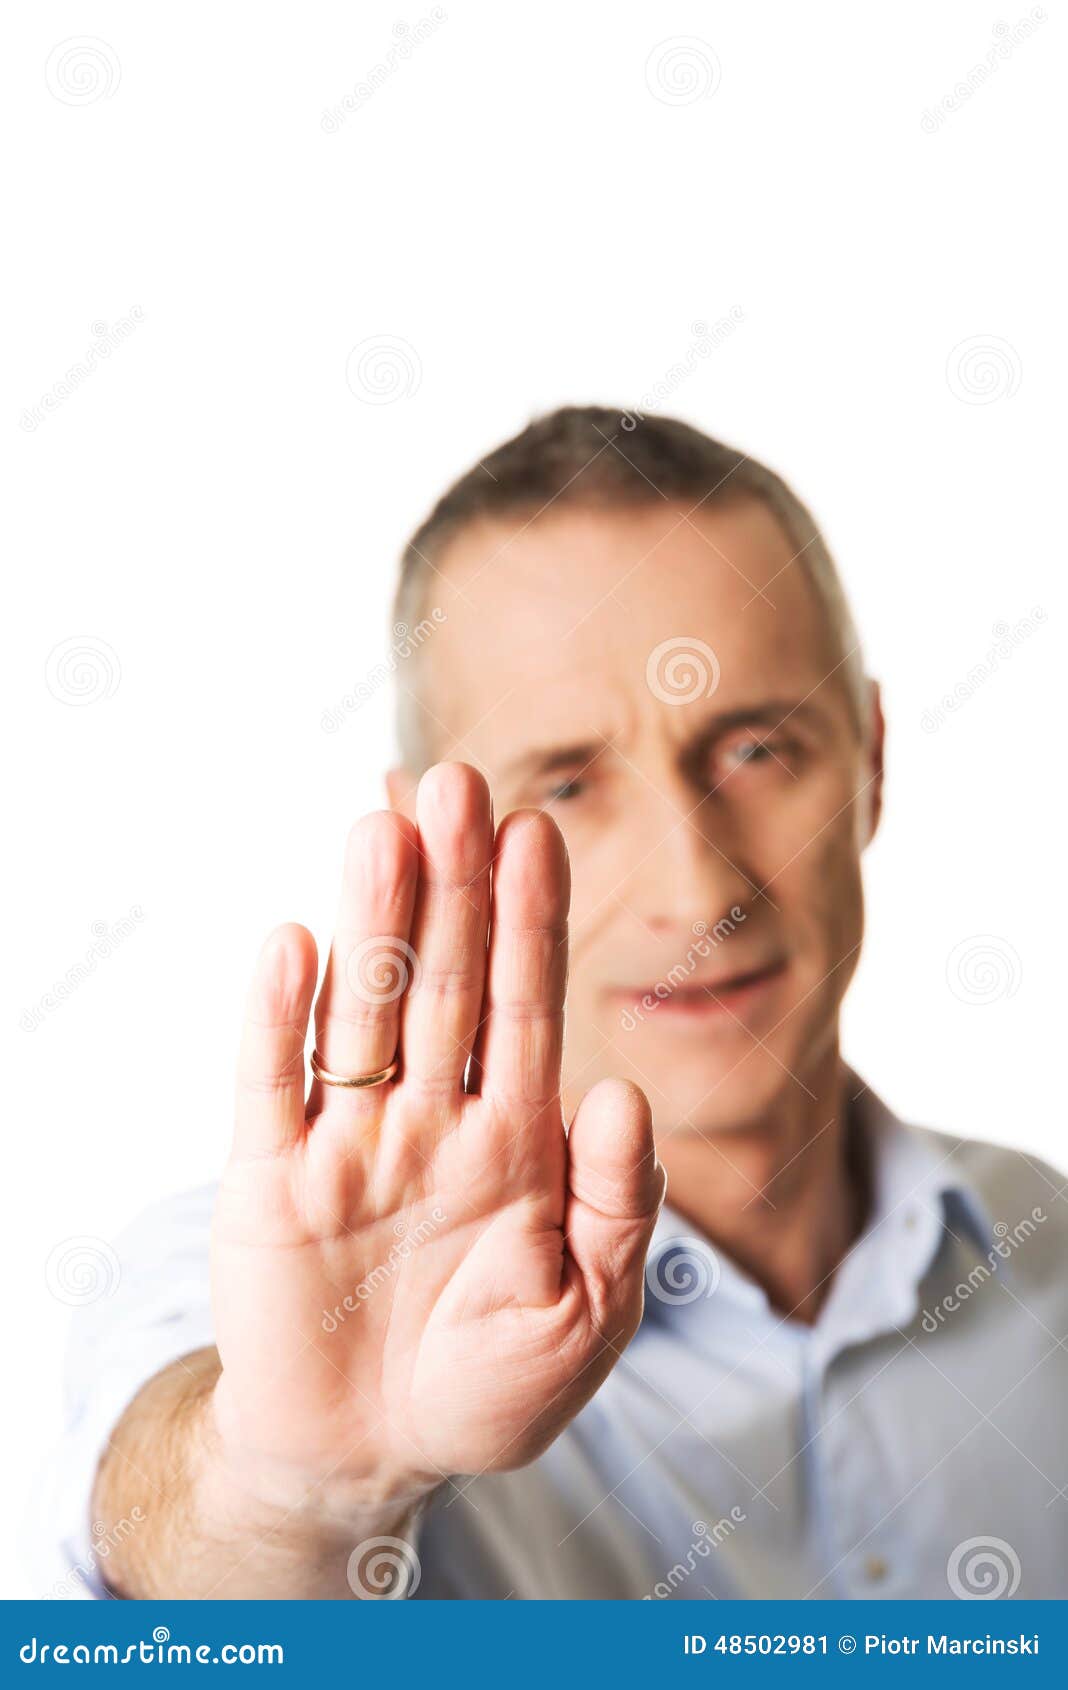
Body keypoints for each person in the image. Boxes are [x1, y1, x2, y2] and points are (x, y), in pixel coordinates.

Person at [53, 407, 1067, 1600]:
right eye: (571, 784)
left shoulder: (1042, 1240)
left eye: (757, 751)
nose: (700, 890)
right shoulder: (288, 1289)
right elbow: (183, 1545)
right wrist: (296, 1490)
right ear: (445, 841)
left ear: (874, 759)